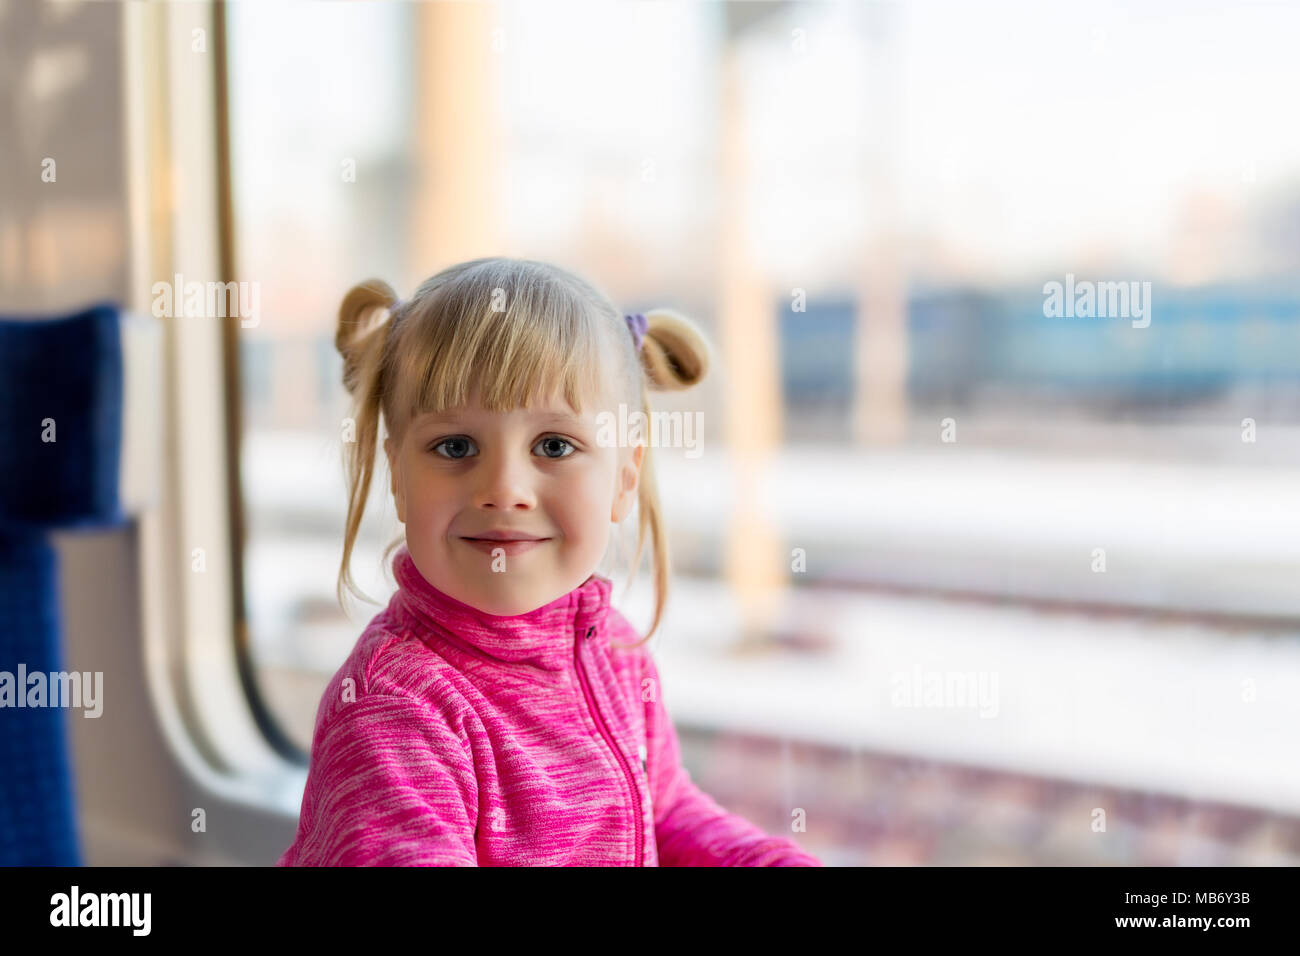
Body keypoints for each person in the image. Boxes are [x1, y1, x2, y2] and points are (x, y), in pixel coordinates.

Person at [276, 257, 821, 866]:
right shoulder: (396, 705)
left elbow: (665, 814)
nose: (504, 489)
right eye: (455, 446)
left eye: (554, 446)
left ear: (624, 478)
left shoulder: (614, 654)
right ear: (398, 478)